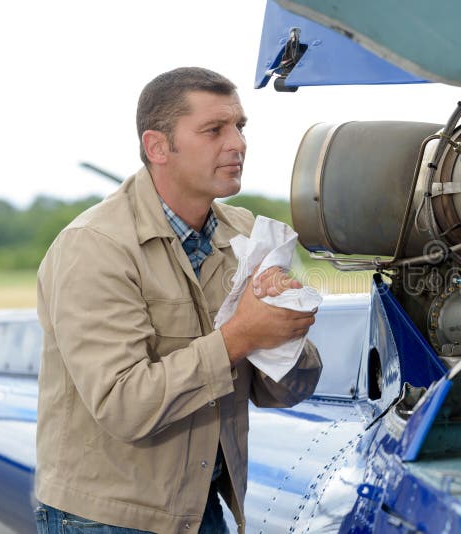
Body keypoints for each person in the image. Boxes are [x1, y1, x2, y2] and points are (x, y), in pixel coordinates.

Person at [33, 67, 322, 534]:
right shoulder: (94, 247)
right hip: (106, 518)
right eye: (214, 130)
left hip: (200, 506)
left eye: (240, 127)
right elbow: (124, 405)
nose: (238, 144)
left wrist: (284, 329)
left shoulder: (247, 235)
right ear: (157, 147)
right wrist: (239, 336)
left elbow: (285, 392)